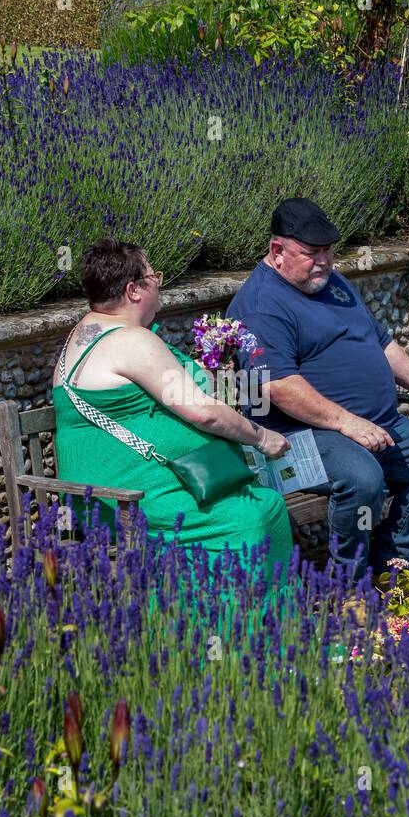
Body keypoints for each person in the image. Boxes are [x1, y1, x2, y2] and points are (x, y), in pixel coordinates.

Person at [226, 197, 409, 581]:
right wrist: (347, 423)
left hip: (377, 424)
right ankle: (349, 583)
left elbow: (381, 343)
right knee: (362, 478)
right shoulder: (262, 305)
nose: (325, 261)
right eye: (311, 253)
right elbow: (276, 386)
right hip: (298, 438)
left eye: (329, 250)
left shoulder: (333, 283)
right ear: (277, 251)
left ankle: (391, 561)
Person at [51, 236, 295, 588]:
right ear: (134, 290)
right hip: (125, 501)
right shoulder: (131, 341)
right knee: (253, 514)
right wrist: (261, 437)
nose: (159, 285)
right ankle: (235, 628)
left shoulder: (84, 334)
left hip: (104, 496)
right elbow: (203, 413)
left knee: (261, 505)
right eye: (155, 277)